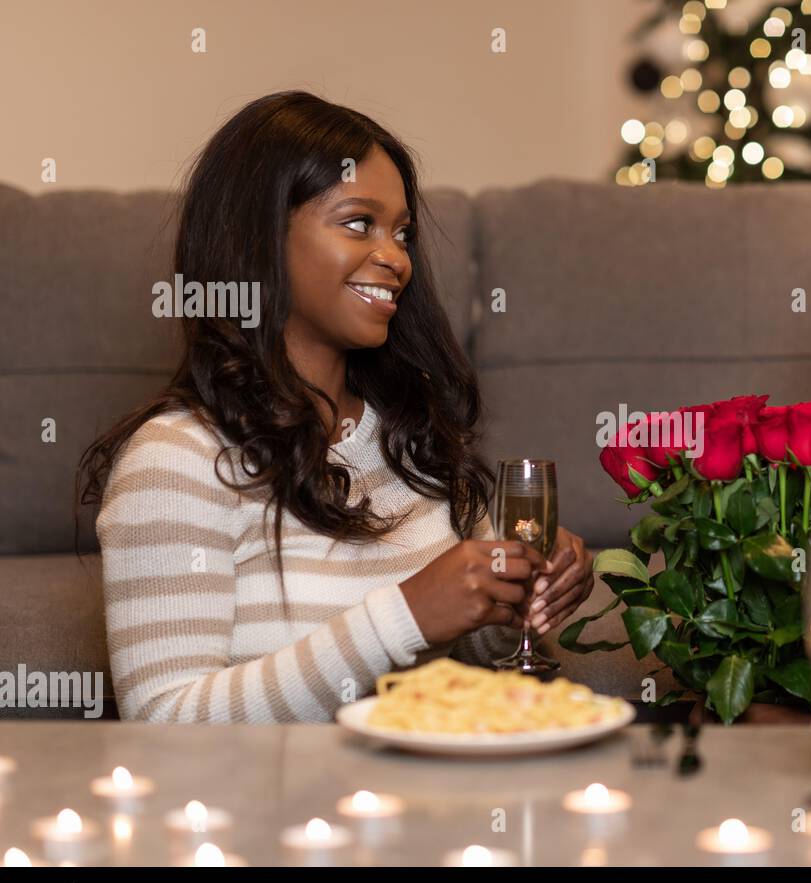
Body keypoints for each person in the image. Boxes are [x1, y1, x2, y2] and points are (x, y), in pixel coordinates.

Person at [77, 91, 594, 723]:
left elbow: (467, 666)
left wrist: (516, 604)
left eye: (401, 232)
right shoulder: (175, 460)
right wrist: (401, 617)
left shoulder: (408, 440)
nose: (397, 259)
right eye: (359, 224)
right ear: (258, 237)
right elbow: (165, 726)